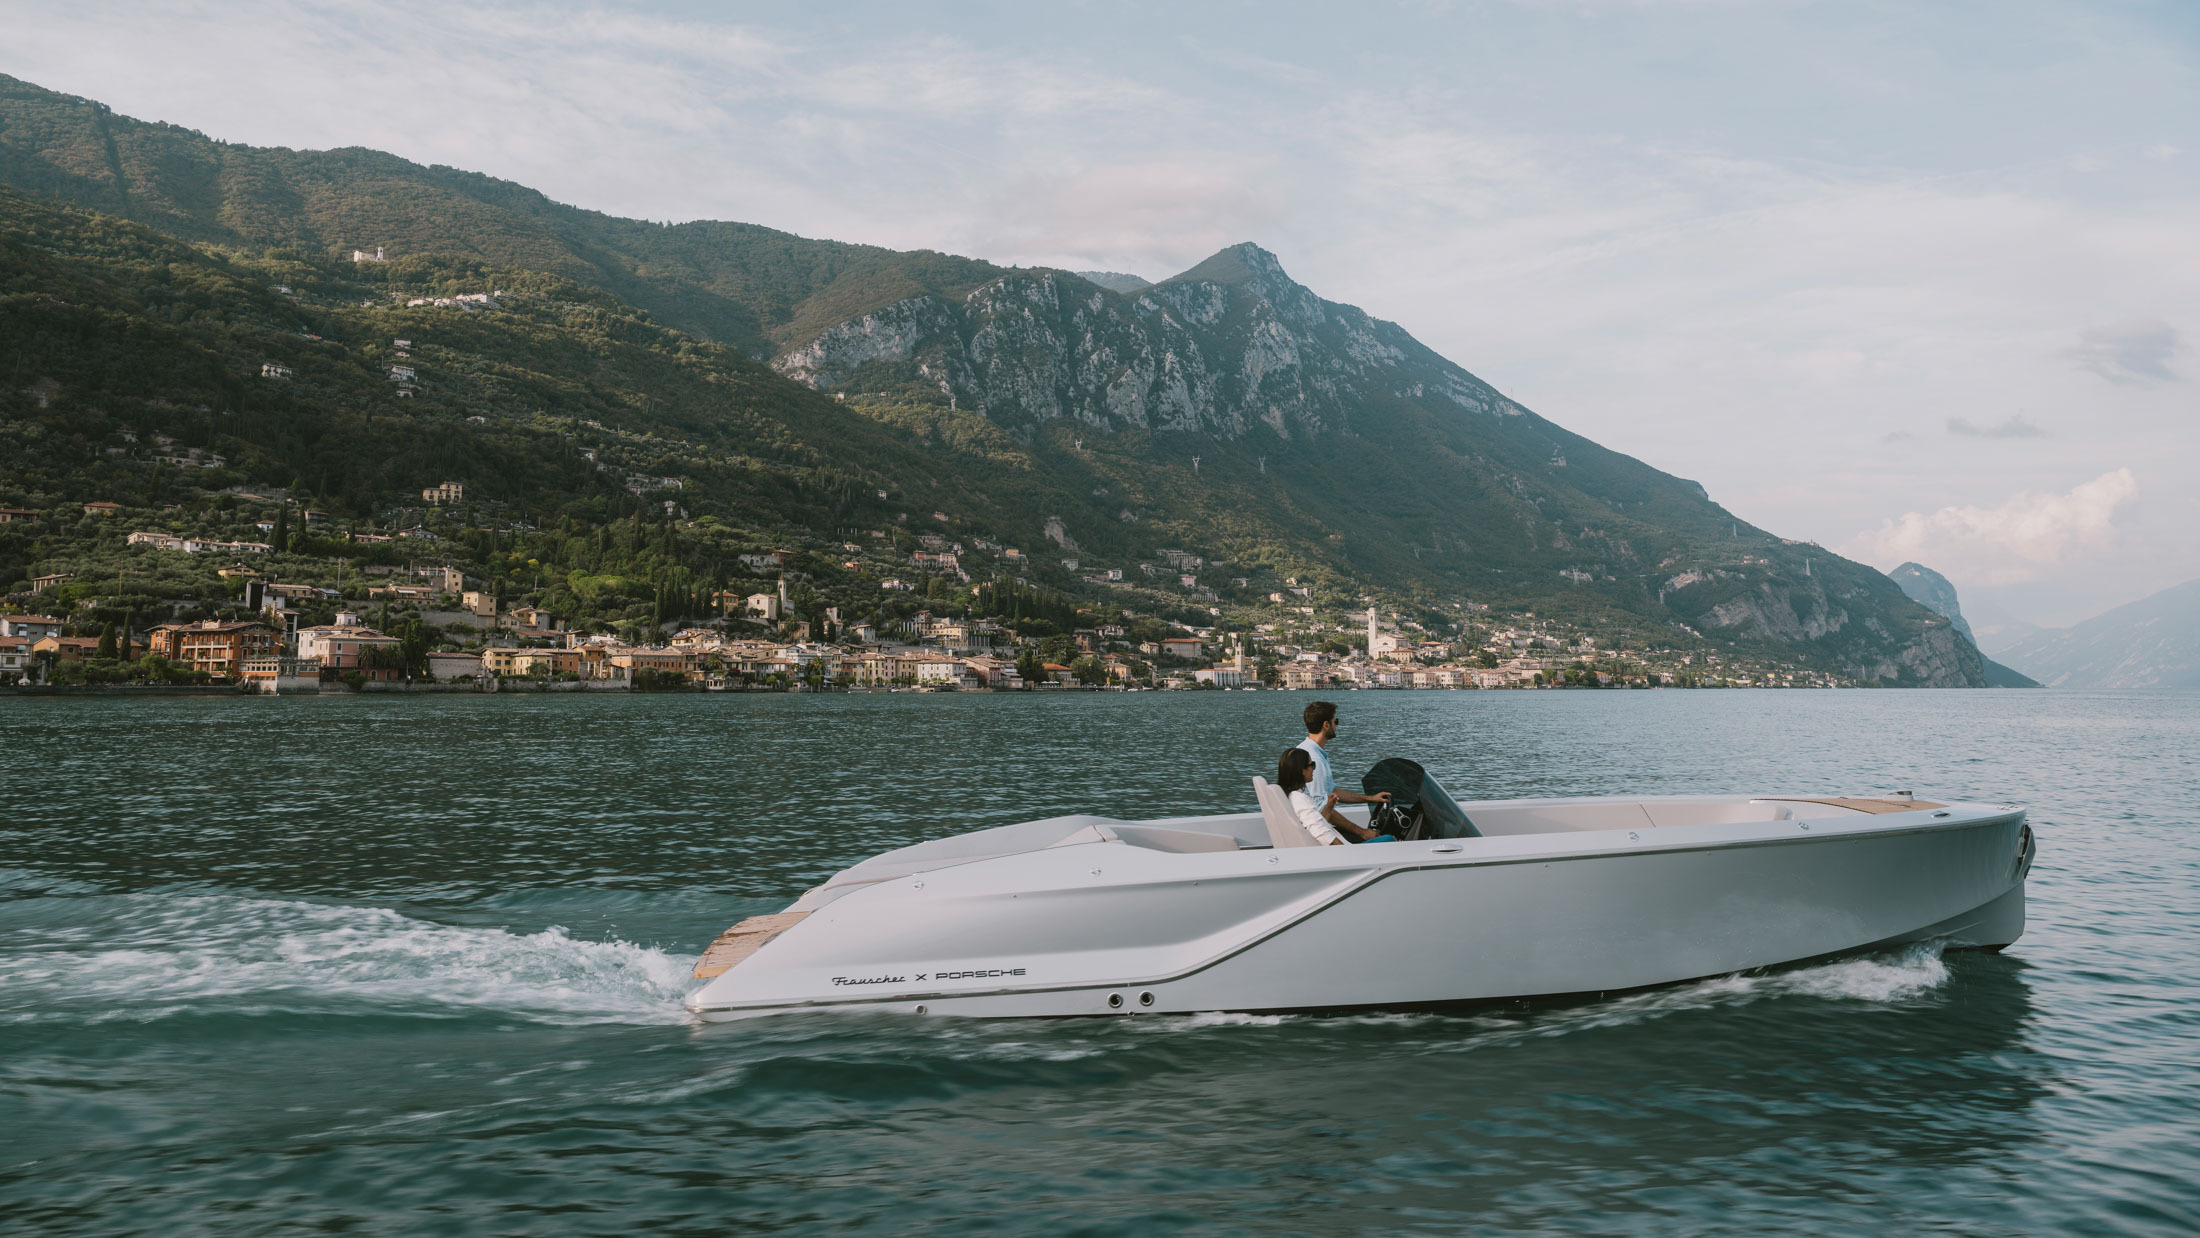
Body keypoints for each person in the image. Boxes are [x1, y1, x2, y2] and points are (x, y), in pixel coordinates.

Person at [1277, 747, 1394, 845]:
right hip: (1341, 853)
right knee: (1389, 839)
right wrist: (1345, 852)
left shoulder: (1290, 796)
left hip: (1331, 849)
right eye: (1311, 765)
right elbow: (1320, 832)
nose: (1313, 769)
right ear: (1301, 770)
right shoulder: (1299, 799)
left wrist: (1328, 806)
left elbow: (1316, 823)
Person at [1296, 701, 1389, 812]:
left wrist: (1370, 798)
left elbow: (1332, 791)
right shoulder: (1314, 760)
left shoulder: (1310, 750)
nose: (1336, 725)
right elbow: (1321, 808)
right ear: (1326, 725)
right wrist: (1361, 830)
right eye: (1336, 721)